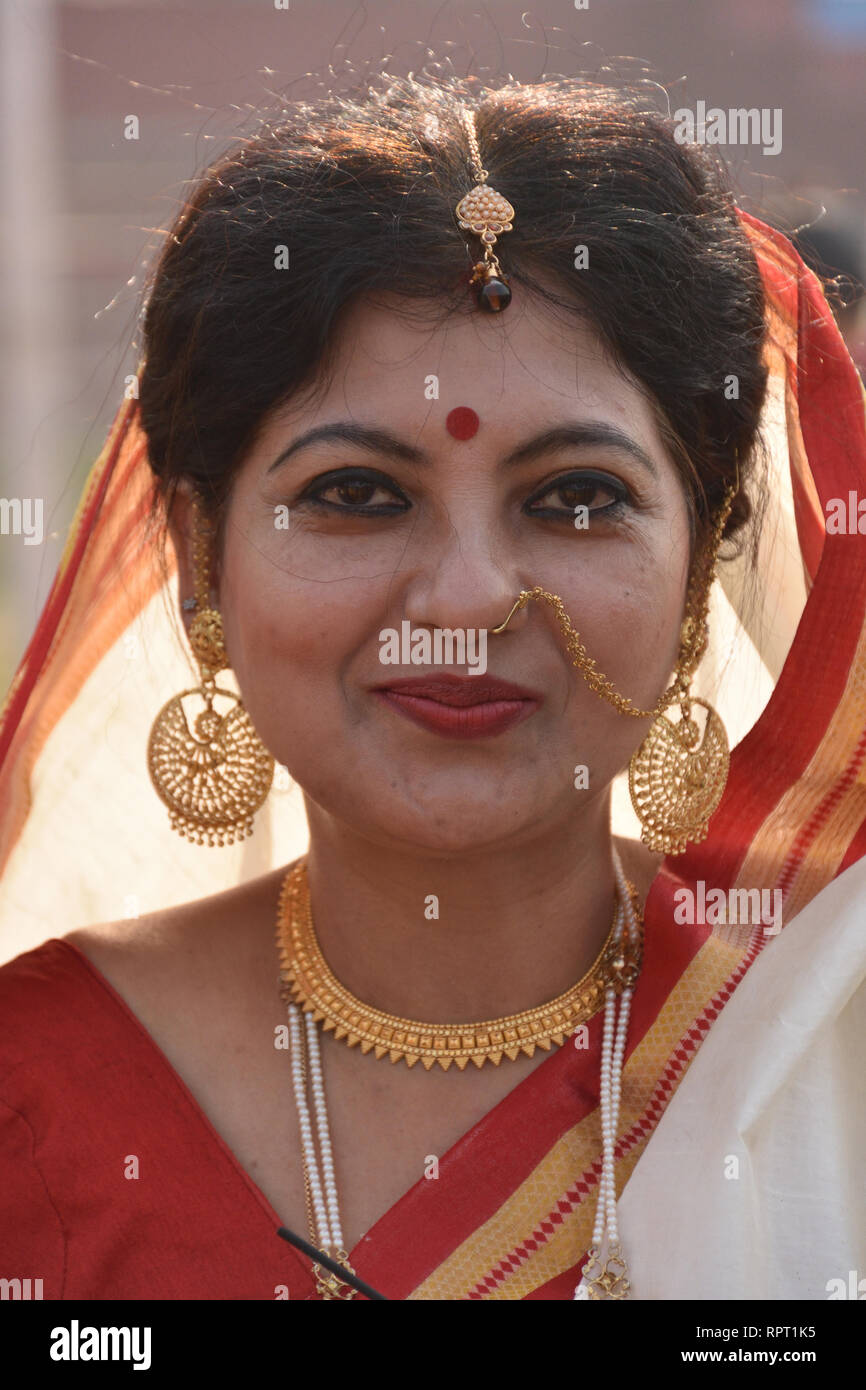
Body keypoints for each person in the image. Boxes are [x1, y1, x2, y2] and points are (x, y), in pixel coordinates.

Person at [0, 74, 863, 1302]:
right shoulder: (31, 1098)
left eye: (575, 496)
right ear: (199, 551)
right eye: (357, 493)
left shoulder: (818, 1049)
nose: (467, 600)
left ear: (701, 551)